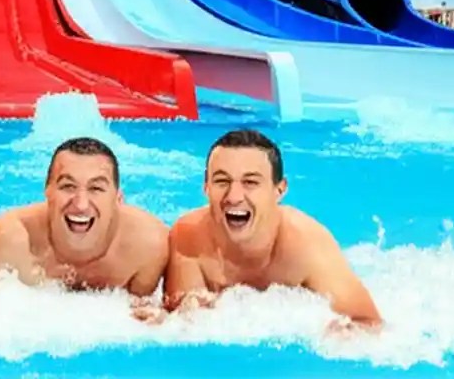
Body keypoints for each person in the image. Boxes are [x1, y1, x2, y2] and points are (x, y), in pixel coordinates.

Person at [158, 129, 382, 330]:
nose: (234, 197)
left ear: (279, 190)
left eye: (250, 182)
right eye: (222, 181)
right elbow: (180, 325)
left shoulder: (306, 246)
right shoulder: (188, 235)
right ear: (206, 187)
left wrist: (339, 335)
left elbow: (369, 323)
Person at [0, 137, 169, 309]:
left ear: (118, 199)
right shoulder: (11, 241)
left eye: (96, 189)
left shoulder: (148, 246)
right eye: (68, 186)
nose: (81, 204)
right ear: (47, 192)